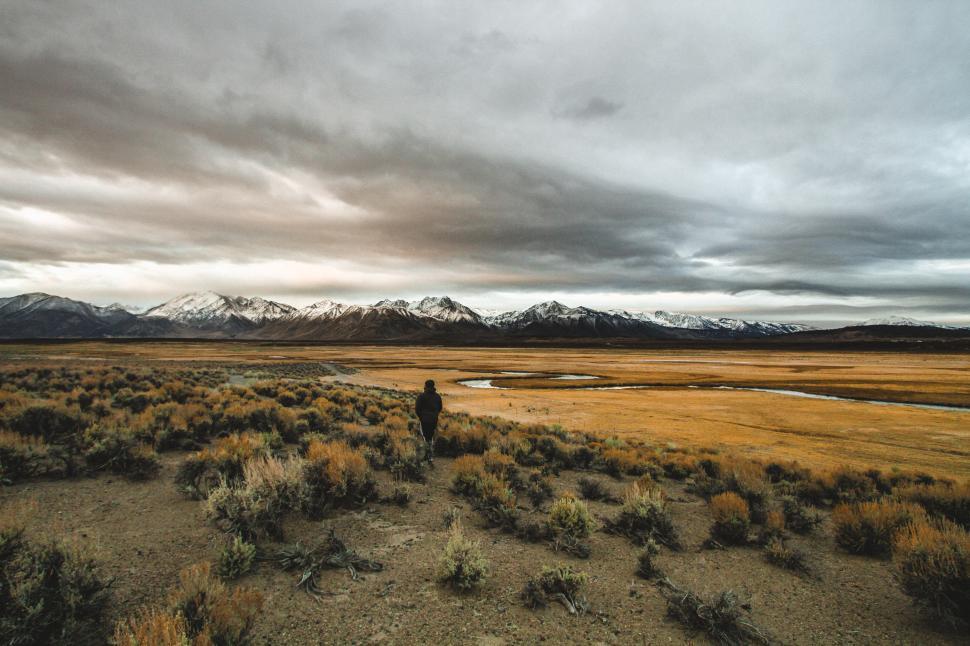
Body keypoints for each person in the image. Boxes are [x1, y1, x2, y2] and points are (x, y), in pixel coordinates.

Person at [415, 379, 442, 464]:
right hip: (434, 420)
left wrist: (421, 417)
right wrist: (435, 415)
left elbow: (417, 409)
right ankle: (430, 455)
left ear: (425, 386)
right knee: (430, 436)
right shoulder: (437, 396)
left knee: (425, 437)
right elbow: (440, 408)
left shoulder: (421, 396)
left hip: (424, 420)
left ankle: (427, 455)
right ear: (433, 386)